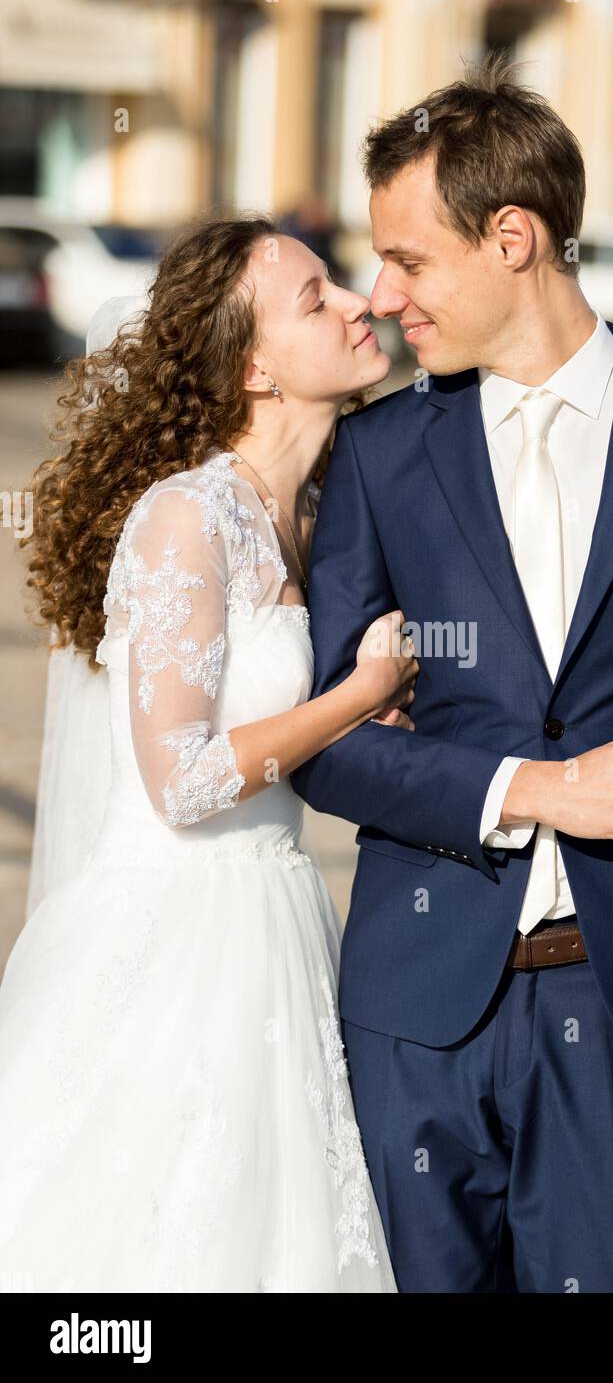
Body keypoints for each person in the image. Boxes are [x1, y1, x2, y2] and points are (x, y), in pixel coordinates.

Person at [291, 56, 613, 1292]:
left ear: (511, 237)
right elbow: (325, 741)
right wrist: (532, 786)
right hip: (413, 1011)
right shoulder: (377, 454)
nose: (382, 295)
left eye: (408, 260)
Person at [1, 213, 418, 1292]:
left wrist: (381, 719)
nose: (357, 303)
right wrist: (359, 693)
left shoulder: (320, 512)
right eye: (315, 299)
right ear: (255, 366)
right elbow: (181, 778)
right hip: (175, 936)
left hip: (277, 912)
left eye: (339, 286)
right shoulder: (185, 519)